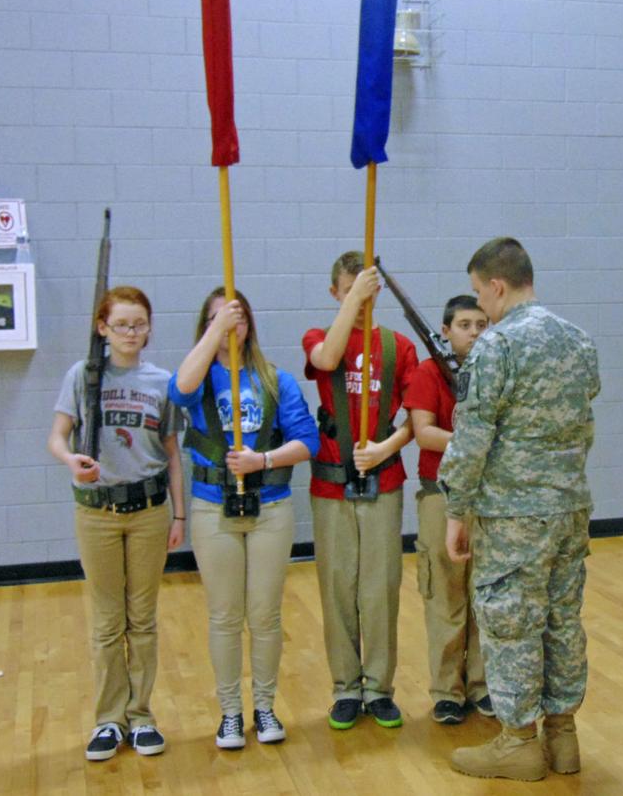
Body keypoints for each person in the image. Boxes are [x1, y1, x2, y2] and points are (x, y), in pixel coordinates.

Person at [439, 236, 600, 782]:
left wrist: (456, 511)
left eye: (478, 294)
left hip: (512, 513)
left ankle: (518, 741)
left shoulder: (497, 345)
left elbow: (472, 437)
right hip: (569, 507)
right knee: (560, 619)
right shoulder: (578, 340)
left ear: (497, 286)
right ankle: (563, 735)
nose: (479, 307)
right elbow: (584, 424)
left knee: (511, 622)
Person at [169, 287, 319, 750]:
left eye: (235, 318)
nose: (228, 326)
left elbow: (307, 441)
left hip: (269, 505)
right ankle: (231, 712)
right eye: (216, 319)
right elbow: (179, 390)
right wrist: (216, 329)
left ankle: (265, 706)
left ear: (250, 324)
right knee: (225, 615)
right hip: (214, 508)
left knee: (265, 614)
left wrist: (265, 460)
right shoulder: (201, 380)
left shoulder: (276, 381)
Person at [47, 285, 185, 762]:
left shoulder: (161, 381)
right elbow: (57, 437)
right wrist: (71, 461)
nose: (131, 333)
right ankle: (109, 719)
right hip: (96, 511)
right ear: (103, 328)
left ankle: (142, 716)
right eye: (122, 324)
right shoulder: (81, 375)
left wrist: (179, 514)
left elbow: (171, 455)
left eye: (139, 324)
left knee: (142, 619)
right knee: (107, 622)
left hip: (148, 512)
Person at [303, 250, 419, 730]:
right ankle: (345, 687)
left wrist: (385, 447)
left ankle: (378, 687)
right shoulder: (320, 338)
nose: (358, 298)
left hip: (383, 481)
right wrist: (355, 300)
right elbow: (327, 358)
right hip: (331, 483)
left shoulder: (399, 347)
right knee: (337, 587)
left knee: (380, 587)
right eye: (347, 290)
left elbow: (415, 418)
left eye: (365, 290)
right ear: (336, 293)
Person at [403, 294, 492, 725]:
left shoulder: (493, 371)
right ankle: (447, 691)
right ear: (445, 330)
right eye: (464, 325)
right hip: (442, 492)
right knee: (446, 595)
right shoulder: (426, 373)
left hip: (488, 495)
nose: (473, 332)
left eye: (480, 324)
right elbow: (424, 433)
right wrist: (472, 441)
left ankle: (481, 685)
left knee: (483, 594)